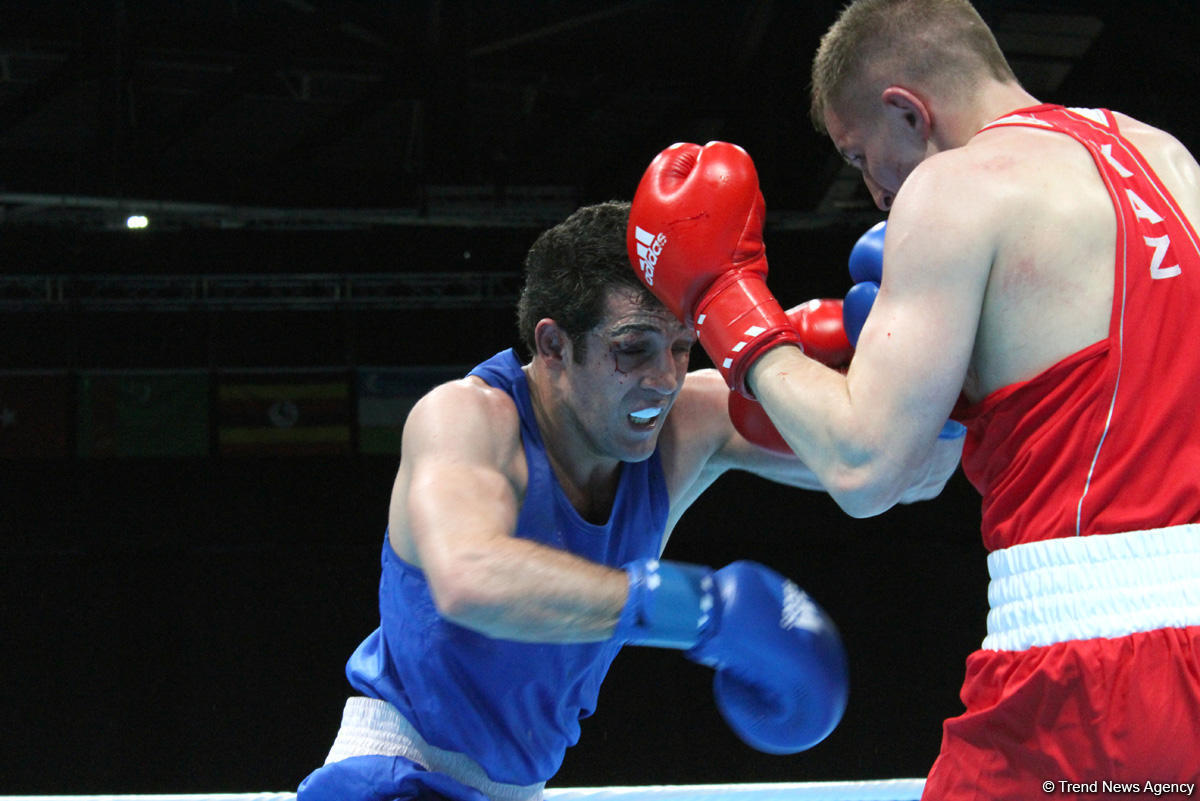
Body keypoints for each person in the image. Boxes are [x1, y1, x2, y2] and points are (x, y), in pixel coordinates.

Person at [624, 0, 1200, 796]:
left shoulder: (956, 187)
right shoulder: (1166, 157)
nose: (875, 191)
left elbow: (866, 468)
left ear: (908, 110)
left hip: (1090, 670)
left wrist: (725, 303)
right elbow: (950, 461)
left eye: (862, 155)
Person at [296, 200, 957, 801]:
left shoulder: (690, 422)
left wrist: (936, 367)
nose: (664, 378)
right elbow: (469, 579)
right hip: (397, 773)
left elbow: (907, 474)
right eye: (633, 348)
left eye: (680, 346)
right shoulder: (466, 419)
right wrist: (693, 608)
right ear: (554, 345)